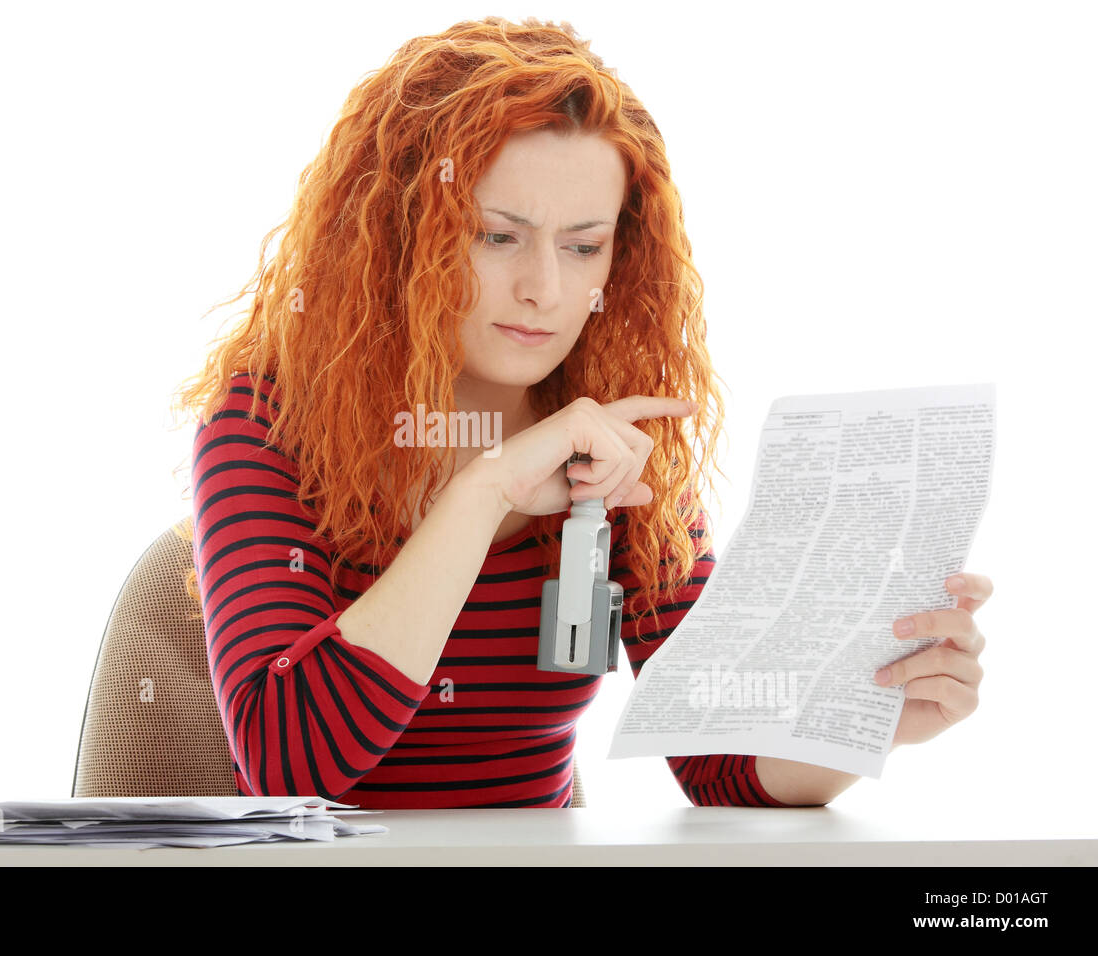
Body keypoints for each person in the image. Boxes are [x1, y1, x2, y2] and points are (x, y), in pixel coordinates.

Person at [174, 16, 991, 809]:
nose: (546, 290)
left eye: (582, 245)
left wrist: (865, 718)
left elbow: (718, 761)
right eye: (497, 237)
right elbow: (289, 762)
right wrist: (486, 490)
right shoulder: (263, 425)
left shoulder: (613, 441)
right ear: (397, 234)